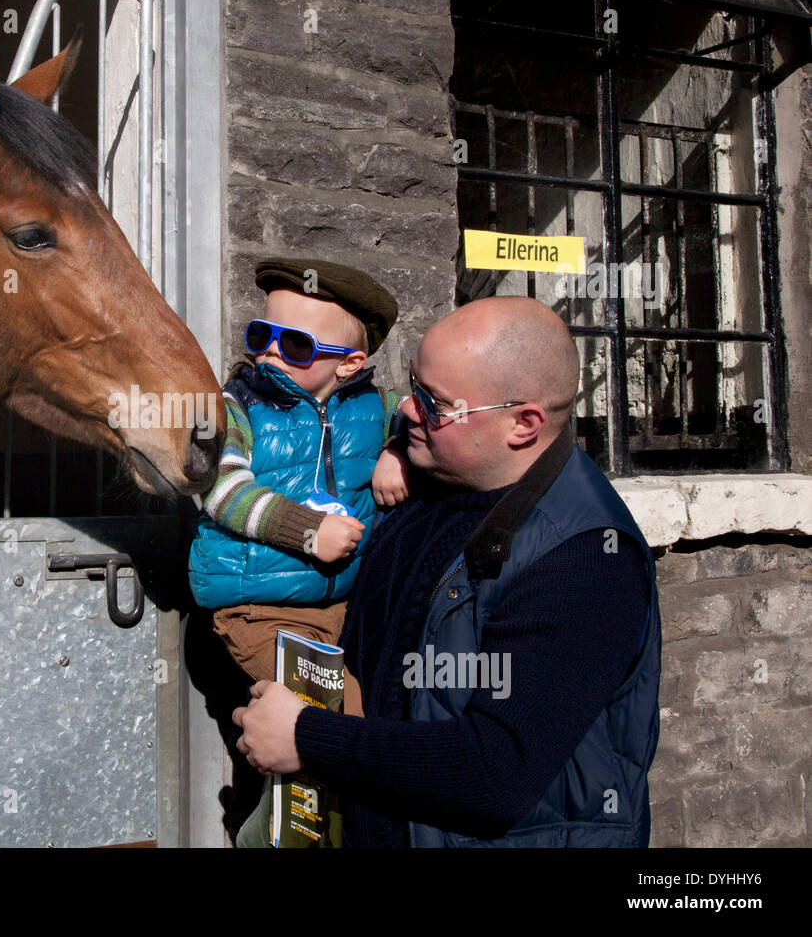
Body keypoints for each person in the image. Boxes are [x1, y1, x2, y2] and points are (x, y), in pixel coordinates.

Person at [232, 295, 662, 847]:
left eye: (434, 404)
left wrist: (307, 737)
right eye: (414, 389)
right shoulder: (433, 481)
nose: (409, 410)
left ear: (524, 424)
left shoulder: (584, 561)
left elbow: (496, 769)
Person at [189, 257, 411, 697]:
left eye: (294, 343)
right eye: (261, 334)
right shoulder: (237, 406)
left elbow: (427, 424)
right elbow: (222, 490)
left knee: (367, 712)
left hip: (347, 605)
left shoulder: (375, 407)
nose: (269, 351)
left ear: (348, 363)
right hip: (261, 609)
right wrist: (309, 532)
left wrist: (396, 450)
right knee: (333, 716)